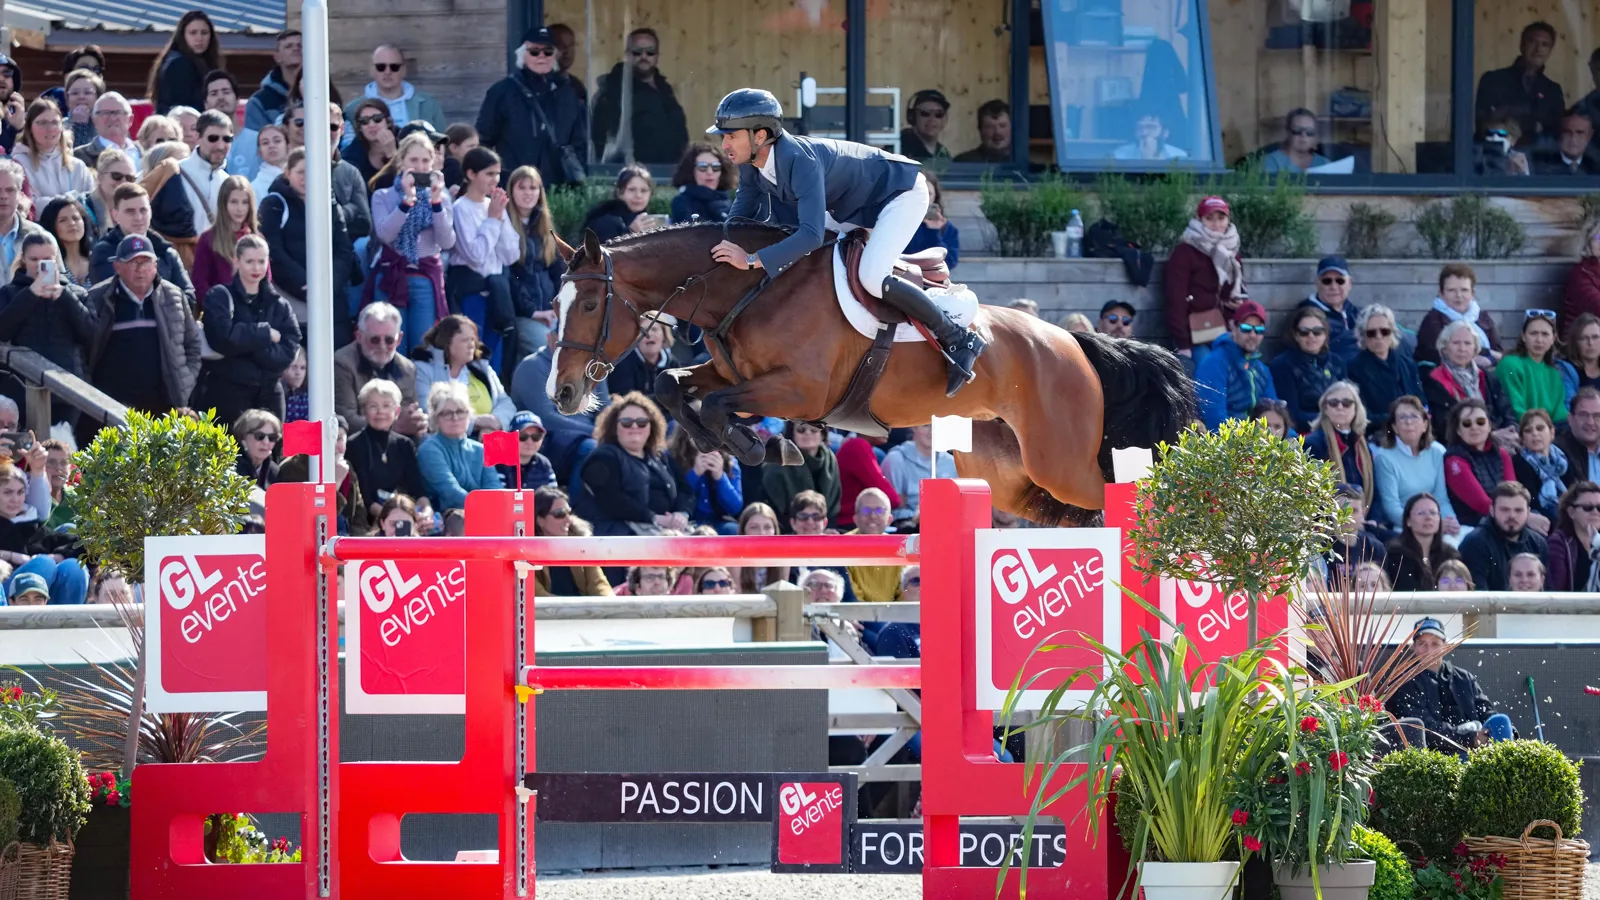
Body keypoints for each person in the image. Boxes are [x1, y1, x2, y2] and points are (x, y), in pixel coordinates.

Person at [706, 88, 984, 397]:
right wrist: (715, 249)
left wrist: (750, 260)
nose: (724, 144)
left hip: (899, 194)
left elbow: (810, 235)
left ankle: (956, 336)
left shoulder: (800, 159)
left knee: (871, 276)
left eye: (731, 136)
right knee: (794, 246)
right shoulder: (751, 163)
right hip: (851, 205)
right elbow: (741, 216)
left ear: (759, 136)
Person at [86, 234, 201, 415]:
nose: (140, 269)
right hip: (112, 407)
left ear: (155, 267)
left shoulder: (174, 296)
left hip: (164, 406)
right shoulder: (97, 298)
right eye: (132, 262)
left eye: (146, 262)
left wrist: (185, 381)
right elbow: (83, 349)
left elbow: (193, 344)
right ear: (117, 266)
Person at [194, 234, 300, 427]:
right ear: (237, 261)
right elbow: (222, 339)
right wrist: (265, 335)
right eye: (250, 261)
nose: (256, 268)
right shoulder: (219, 296)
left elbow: (289, 351)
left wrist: (245, 344)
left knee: (270, 454)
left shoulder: (279, 304)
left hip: (269, 398)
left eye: (261, 261)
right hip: (227, 397)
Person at [367, 132, 455, 350]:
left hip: (424, 278)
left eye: (425, 161)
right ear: (401, 162)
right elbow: (386, 234)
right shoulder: (383, 196)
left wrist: (436, 204)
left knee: (421, 347)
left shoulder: (442, 198)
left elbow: (446, 242)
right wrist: (406, 201)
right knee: (390, 347)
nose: (420, 166)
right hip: (391, 276)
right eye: (413, 160)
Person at [261, 148, 358, 337]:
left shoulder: (330, 204)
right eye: (300, 172)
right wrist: (305, 283)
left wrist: (330, 284)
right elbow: (273, 251)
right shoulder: (274, 203)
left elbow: (344, 249)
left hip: (332, 297)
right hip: (292, 298)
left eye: (311, 171)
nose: (306, 178)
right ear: (288, 173)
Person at [476, 27, 587, 189]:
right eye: (534, 51)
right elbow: (483, 141)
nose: (541, 56)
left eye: (548, 51)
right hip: (513, 186)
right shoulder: (501, 92)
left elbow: (579, 143)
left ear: (555, 55)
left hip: (557, 188)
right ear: (523, 55)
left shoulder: (569, 93)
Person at [572, 391, 692, 541]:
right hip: (617, 535)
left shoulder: (661, 457)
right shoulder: (602, 457)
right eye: (627, 422)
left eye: (642, 422)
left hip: (665, 530)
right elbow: (612, 501)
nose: (634, 427)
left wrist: (682, 514)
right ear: (614, 427)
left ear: (652, 426)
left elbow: (685, 491)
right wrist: (654, 518)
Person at [1387, 617, 1513, 754]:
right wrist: (1471, 739)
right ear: (1414, 647)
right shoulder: (1406, 684)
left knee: (1501, 721)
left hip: (1476, 749)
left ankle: (1511, 758)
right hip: (1437, 757)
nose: (1429, 650)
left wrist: (1505, 733)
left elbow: (1487, 711)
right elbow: (1425, 731)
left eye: (1435, 644)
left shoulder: (1464, 678)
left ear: (1445, 646)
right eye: (1422, 644)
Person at [0, 233, 96, 407]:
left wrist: (65, 296)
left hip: (69, 387)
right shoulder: (9, 292)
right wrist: (30, 294)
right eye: (34, 259)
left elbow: (90, 334)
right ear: (23, 260)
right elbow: (3, 331)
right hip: (22, 386)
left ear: (56, 260)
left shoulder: (77, 293)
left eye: (46, 259)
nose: (39, 266)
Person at [449, 147, 520, 368]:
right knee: (471, 353)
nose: (495, 180)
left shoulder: (494, 206)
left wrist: (498, 217)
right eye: (489, 174)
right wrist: (492, 221)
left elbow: (510, 255)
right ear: (471, 174)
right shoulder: (461, 208)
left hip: (496, 292)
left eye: (497, 174)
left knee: (493, 357)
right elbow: (475, 255)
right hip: (472, 293)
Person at [510, 329, 610, 484]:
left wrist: (612, 430)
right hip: (548, 438)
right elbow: (547, 418)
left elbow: (605, 407)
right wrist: (595, 433)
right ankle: (578, 505)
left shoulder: (591, 365)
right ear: (549, 337)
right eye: (563, 338)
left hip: (589, 433)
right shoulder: (532, 366)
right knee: (592, 449)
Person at [1164, 196, 1247, 364]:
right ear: (1200, 220)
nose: (1216, 224)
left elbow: (1235, 292)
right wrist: (1183, 344)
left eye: (1221, 218)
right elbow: (1176, 299)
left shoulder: (1232, 252)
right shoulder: (1185, 252)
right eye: (1210, 218)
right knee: (1209, 370)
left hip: (1224, 331)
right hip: (1194, 335)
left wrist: (1236, 304)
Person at [590, 28, 689, 164]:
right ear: (627, 55)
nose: (644, 57)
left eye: (650, 52)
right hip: (634, 177)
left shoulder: (664, 88)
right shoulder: (614, 90)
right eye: (637, 52)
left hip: (669, 174)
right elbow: (603, 140)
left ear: (657, 56)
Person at [87, 182, 194, 302]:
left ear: (150, 212)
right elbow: (112, 299)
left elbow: (189, 298)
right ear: (115, 215)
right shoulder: (104, 253)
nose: (138, 217)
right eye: (130, 211)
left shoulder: (166, 251)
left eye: (143, 210)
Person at [410, 314, 515, 435]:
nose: (471, 345)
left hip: (489, 434)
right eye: (465, 340)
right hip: (447, 442)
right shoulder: (422, 369)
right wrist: (476, 423)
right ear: (447, 343)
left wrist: (495, 423)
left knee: (519, 438)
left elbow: (507, 403)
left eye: (472, 339)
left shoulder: (482, 367)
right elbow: (428, 415)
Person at [335, 302, 426, 435]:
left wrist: (418, 422)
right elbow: (346, 420)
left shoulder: (408, 369)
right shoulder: (342, 364)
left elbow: (408, 414)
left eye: (389, 340)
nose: (382, 346)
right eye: (375, 340)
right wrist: (394, 427)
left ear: (399, 339)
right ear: (359, 337)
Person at [1371, 396, 1460, 533]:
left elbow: (1441, 498)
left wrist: (1451, 522)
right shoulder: (1384, 457)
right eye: (1402, 417)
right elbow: (1391, 507)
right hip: (1405, 527)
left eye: (1414, 416)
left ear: (1425, 424)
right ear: (1394, 427)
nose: (1409, 422)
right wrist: (1426, 525)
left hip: (1436, 522)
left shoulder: (1437, 451)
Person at [504, 165, 565, 359]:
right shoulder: (504, 224)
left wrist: (558, 309)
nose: (528, 193)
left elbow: (559, 274)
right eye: (522, 188)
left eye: (533, 188)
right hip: (524, 316)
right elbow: (511, 278)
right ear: (511, 191)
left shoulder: (546, 228)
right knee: (546, 351)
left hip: (552, 315)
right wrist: (533, 312)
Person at [1475, 21, 1566, 147]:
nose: (1538, 49)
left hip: (1538, 160)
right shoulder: (1493, 80)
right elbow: (1483, 122)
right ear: (1522, 45)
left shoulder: (1553, 90)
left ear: (1550, 51)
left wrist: (1508, 113)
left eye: (1545, 45)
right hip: (1495, 156)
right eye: (1533, 42)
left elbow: (1556, 133)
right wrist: (1534, 121)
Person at [1423, 320, 1515, 443]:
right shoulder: (1433, 380)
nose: (1462, 349)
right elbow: (1442, 427)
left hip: (1499, 442)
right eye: (1456, 343)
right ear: (1444, 348)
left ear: (1475, 349)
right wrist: (1490, 437)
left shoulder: (1488, 377)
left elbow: (1508, 412)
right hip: (1460, 446)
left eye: (1468, 343)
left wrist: (1512, 432)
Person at [416, 381, 502, 512]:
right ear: (436, 418)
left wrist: (491, 509)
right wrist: (483, 509)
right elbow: (450, 492)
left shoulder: (481, 449)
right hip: (447, 519)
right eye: (446, 413)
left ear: (469, 415)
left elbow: (494, 488)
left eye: (460, 411)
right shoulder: (429, 449)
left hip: (483, 514)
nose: (455, 418)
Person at [346, 379, 424, 520]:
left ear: (397, 411)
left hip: (406, 517)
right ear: (364, 411)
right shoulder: (354, 445)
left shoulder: (405, 444)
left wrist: (425, 513)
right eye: (373, 406)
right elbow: (366, 500)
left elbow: (418, 492)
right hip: (371, 521)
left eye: (386, 405)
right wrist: (394, 519)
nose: (380, 411)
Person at [1196, 299, 1276, 430]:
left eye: (1259, 330)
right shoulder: (1214, 364)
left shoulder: (1262, 369)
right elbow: (1214, 418)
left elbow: (1275, 412)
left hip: (1256, 440)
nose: (1253, 335)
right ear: (1233, 327)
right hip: (1226, 444)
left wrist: (1291, 437)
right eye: (1246, 328)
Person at [1346, 304, 1424, 434]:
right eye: (1371, 333)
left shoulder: (1407, 363)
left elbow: (1421, 402)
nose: (1379, 337)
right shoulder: (1354, 368)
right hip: (1379, 434)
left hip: (1413, 431)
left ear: (1392, 332)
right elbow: (1362, 416)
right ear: (1363, 336)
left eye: (1384, 331)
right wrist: (1398, 419)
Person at [1457, 481, 1547, 591]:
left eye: (1518, 510)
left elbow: (1549, 590)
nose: (1512, 516)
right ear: (1492, 510)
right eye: (1505, 510)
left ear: (1528, 512)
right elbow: (1477, 596)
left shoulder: (1538, 543)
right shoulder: (1475, 543)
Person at [1443, 399, 1516, 528]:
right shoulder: (1454, 461)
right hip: (1475, 525)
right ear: (1458, 431)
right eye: (1466, 423)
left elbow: (1514, 491)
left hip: (1505, 516)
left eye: (1480, 422)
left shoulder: (1502, 453)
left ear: (1489, 426)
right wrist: (1520, 516)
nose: (1474, 427)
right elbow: (1482, 504)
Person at [1271, 307, 1346, 433]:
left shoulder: (1338, 363)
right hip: (1305, 433)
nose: (1311, 336)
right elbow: (1291, 415)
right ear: (1296, 335)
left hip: (1338, 427)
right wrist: (1331, 420)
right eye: (1304, 332)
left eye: (1317, 332)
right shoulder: (1282, 365)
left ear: (1325, 334)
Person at [1304, 382, 1376, 511]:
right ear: (1325, 408)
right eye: (1333, 403)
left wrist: (1375, 519)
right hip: (1329, 522)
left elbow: (1376, 492)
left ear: (1356, 408)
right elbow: (1312, 494)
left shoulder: (1362, 445)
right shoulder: (1313, 443)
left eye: (1347, 403)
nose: (1340, 407)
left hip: (1364, 517)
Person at [11, 99, 94, 209]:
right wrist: (72, 199)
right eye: (42, 123)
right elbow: (29, 205)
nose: (50, 129)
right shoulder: (19, 164)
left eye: (55, 122)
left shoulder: (78, 167)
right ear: (30, 127)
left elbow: (91, 204)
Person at [531, 485, 612, 597]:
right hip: (548, 612)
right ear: (540, 520)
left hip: (583, 610)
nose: (568, 519)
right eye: (560, 514)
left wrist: (609, 606)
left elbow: (599, 584)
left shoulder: (581, 544)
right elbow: (536, 593)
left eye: (568, 512)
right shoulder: (526, 550)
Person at [1415, 264, 1502, 367]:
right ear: (1441, 293)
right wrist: (1487, 354)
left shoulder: (1483, 317)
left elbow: (1499, 353)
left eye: (1464, 290)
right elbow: (1439, 354)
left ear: (1472, 293)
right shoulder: (1433, 320)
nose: (1459, 295)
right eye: (1451, 290)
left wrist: (1491, 360)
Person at [346, 45, 446, 132]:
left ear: (403, 70)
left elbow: (442, 141)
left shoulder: (428, 104)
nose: (387, 72)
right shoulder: (352, 109)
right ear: (372, 70)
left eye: (394, 67)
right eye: (381, 67)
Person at [763, 421, 841, 529]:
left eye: (814, 429)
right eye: (801, 430)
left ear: (823, 434)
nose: (808, 433)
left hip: (824, 527)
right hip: (785, 530)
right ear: (792, 434)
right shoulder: (777, 462)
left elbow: (833, 508)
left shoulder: (831, 460)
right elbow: (774, 510)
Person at [190, 176, 258, 299]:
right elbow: (200, 285)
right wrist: (220, 306)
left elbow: (266, 281)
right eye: (234, 202)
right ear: (223, 203)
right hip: (222, 312)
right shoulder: (208, 239)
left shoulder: (257, 238)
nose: (240, 208)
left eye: (245, 202)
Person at [665, 428, 741, 534]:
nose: (704, 436)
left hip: (718, 522)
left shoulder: (729, 461)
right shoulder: (671, 456)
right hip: (686, 521)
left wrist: (720, 476)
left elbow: (735, 507)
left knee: (733, 529)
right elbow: (670, 500)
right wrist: (694, 474)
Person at [1497, 309, 1567, 423]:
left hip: (1551, 433)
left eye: (1545, 334)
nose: (1539, 340)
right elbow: (1515, 408)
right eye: (1533, 333)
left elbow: (1560, 414)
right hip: (1522, 429)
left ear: (1553, 339)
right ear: (1523, 336)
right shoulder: (1510, 365)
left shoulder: (1555, 373)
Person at [147, 10, 222, 114]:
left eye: (204, 33)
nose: (199, 38)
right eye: (193, 33)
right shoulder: (179, 63)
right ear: (183, 35)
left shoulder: (196, 61)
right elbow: (183, 109)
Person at [1382, 493, 1461, 592]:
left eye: (1433, 513)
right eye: (1421, 513)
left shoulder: (1450, 554)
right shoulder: (1396, 553)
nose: (1428, 518)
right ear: (1408, 521)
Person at [883, 424, 956, 527]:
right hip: (906, 526)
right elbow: (897, 506)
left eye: (936, 426)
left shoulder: (952, 463)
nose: (932, 432)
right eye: (926, 426)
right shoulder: (896, 459)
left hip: (946, 524)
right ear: (914, 427)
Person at [1512, 408, 1569, 531]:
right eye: (1528, 431)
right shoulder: (1519, 462)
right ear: (1522, 439)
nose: (1535, 434)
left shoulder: (1562, 458)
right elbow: (1531, 499)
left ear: (1552, 432)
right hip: (1541, 514)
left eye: (1540, 428)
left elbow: (1573, 487)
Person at [844, 487, 903, 602]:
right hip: (856, 615)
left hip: (895, 615)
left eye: (879, 511)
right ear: (855, 519)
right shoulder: (841, 546)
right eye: (866, 511)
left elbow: (906, 591)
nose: (873, 516)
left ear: (890, 519)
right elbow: (851, 595)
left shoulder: (900, 548)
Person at [834, 436, 898, 533]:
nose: (888, 428)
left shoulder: (859, 445)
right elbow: (892, 499)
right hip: (850, 525)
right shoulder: (858, 446)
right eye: (882, 422)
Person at [1547, 481, 1600, 591]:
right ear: (1571, 512)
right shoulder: (1558, 542)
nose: (1595, 512)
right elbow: (1557, 590)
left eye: (1599, 507)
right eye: (1587, 507)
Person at [244, 30, 301, 133]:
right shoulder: (259, 102)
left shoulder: (325, 92)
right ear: (277, 57)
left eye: (300, 45)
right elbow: (257, 142)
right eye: (289, 46)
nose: (296, 48)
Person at [604, 318, 672, 400]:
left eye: (654, 329)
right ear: (634, 339)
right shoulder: (622, 365)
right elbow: (627, 401)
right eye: (642, 331)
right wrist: (668, 399)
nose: (648, 334)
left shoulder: (673, 364)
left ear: (664, 335)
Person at [584, 165, 655, 242]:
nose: (638, 195)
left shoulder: (646, 219)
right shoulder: (606, 220)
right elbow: (607, 252)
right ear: (619, 192)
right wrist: (631, 232)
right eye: (632, 190)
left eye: (644, 190)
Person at [903, 171, 960, 269]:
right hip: (902, 279)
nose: (924, 198)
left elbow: (949, 263)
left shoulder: (947, 228)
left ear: (935, 197)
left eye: (928, 194)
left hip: (932, 281)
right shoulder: (900, 223)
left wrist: (934, 233)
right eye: (920, 193)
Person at [669, 142, 733, 224]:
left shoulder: (729, 201)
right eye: (702, 166)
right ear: (691, 171)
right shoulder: (682, 202)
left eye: (715, 167)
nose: (710, 172)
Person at [76, 92, 141, 172]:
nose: (113, 118)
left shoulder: (143, 152)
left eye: (118, 112)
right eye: (105, 113)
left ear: (130, 120)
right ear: (94, 120)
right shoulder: (78, 157)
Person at [493, 411, 555, 491]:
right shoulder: (498, 464)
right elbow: (498, 497)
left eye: (536, 436)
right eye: (522, 436)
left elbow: (552, 498)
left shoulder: (544, 464)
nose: (529, 442)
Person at [40, 197, 92, 287]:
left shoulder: (97, 260)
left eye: (75, 218)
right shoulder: (48, 265)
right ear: (52, 226)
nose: (72, 223)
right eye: (63, 220)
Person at [1261, 108, 1331, 173]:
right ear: (1288, 132)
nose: (1303, 135)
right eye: (1298, 130)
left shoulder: (1324, 163)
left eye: (1310, 132)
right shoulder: (1271, 161)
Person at [347, 99, 396, 191]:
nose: (371, 125)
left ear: (388, 121)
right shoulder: (351, 156)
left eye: (377, 119)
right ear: (359, 127)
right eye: (364, 121)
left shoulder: (404, 141)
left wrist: (392, 155)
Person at [1560, 230, 1600, 337]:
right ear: (1589, 241)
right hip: (1580, 339)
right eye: (1598, 237)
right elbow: (1597, 308)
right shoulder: (1581, 274)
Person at [1532, 111, 1599, 175]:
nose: (1573, 139)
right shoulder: (1541, 165)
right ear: (1560, 134)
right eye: (1567, 132)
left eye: (1580, 133)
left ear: (1589, 135)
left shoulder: (1595, 167)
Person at [1560, 387, 1600, 484]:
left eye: (1597, 416)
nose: (1590, 422)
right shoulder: (1558, 453)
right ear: (1570, 419)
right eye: (1583, 415)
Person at [232, 409, 281, 488]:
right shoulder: (231, 467)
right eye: (259, 436)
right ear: (243, 438)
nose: (266, 442)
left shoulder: (274, 471)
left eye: (272, 437)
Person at [1112, 111, 1188, 162]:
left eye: (1151, 127)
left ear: (1165, 133)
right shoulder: (1120, 156)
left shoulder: (1178, 157)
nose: (1144, 133)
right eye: (1140, 127)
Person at [1559, 313, 1600, 403]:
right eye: (1583, 338)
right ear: (1575, 342)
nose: (1590, 343)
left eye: (1595, 337)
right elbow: (1569, 404)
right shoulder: (1566, 369)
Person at [900, 89, 950, 162]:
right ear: (912, 116)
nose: (932, 119)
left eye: (938, 114)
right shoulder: (899, 147)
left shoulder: (943, 154)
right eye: (925, 113)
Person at [62, 68, 105, 149]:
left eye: (87, 92)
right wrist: (79, 127)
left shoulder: (106, 125)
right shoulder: (59, 127)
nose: (81, 97)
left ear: (98, 97)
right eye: (75, 93)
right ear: (67, 99)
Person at [249, 126, 290, 205]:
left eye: (277, 141)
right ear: (259, 152)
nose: (271, 146)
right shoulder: (255, 188)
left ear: (288, 146)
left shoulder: (300, 178)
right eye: (265, 143)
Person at [282, 345, 307, 422]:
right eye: (294, 367)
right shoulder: (275, 394)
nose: (298, 373)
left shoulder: (309, 397)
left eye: (302, 368)